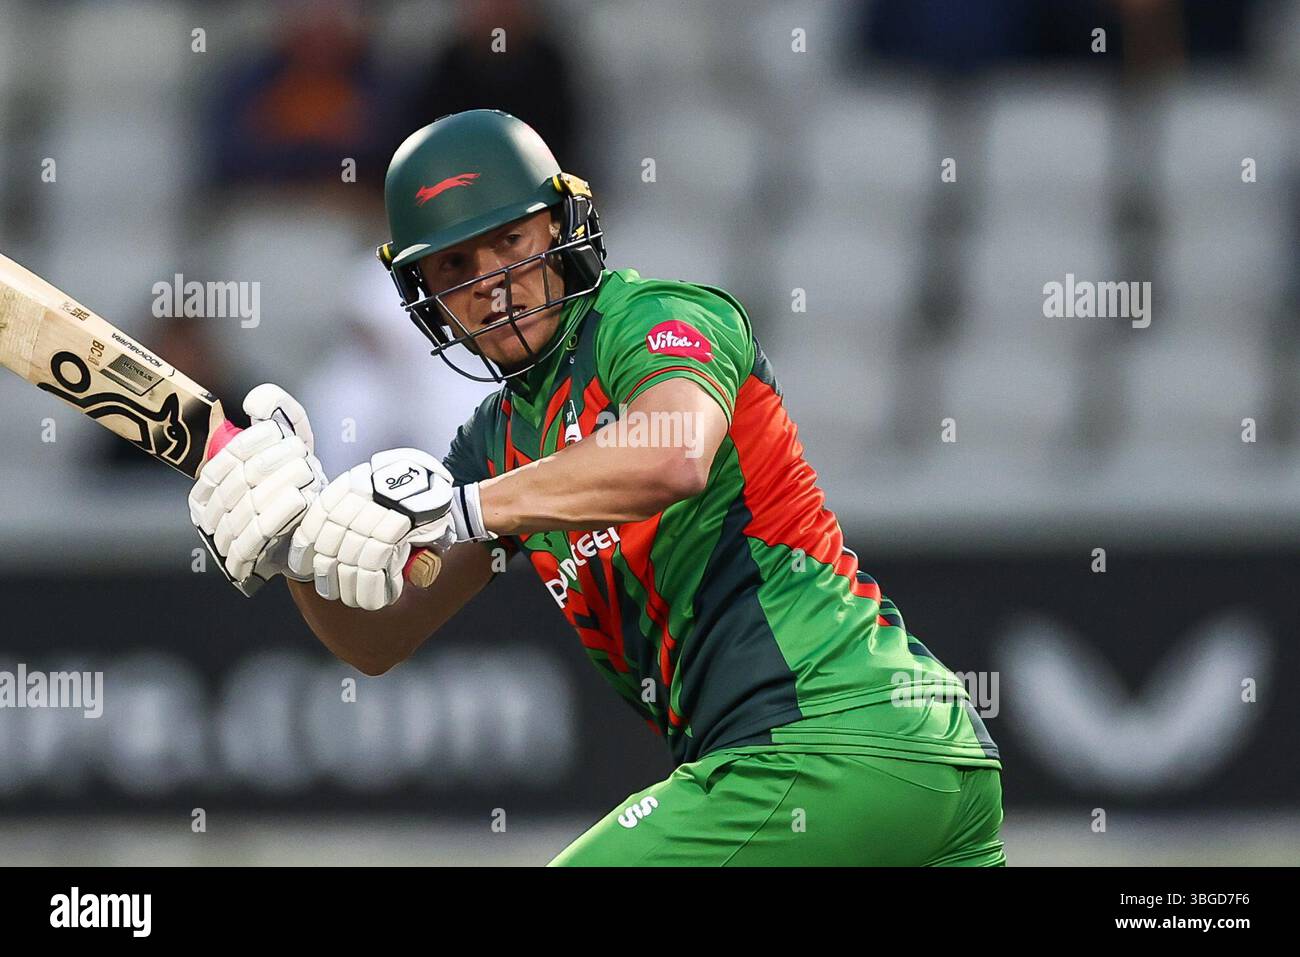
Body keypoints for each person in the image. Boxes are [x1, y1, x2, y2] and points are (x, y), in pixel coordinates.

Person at [187, 109, 1005, 866]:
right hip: (905, 764)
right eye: (456, 265)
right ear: (424, 294)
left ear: (561, 225)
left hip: (829, 740)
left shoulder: (650, 318)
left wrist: (464, 506)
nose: (491, 283)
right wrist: (300, 543)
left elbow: (674, 451)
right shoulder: (496, 438)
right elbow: (380, 638)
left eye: (509, 241)